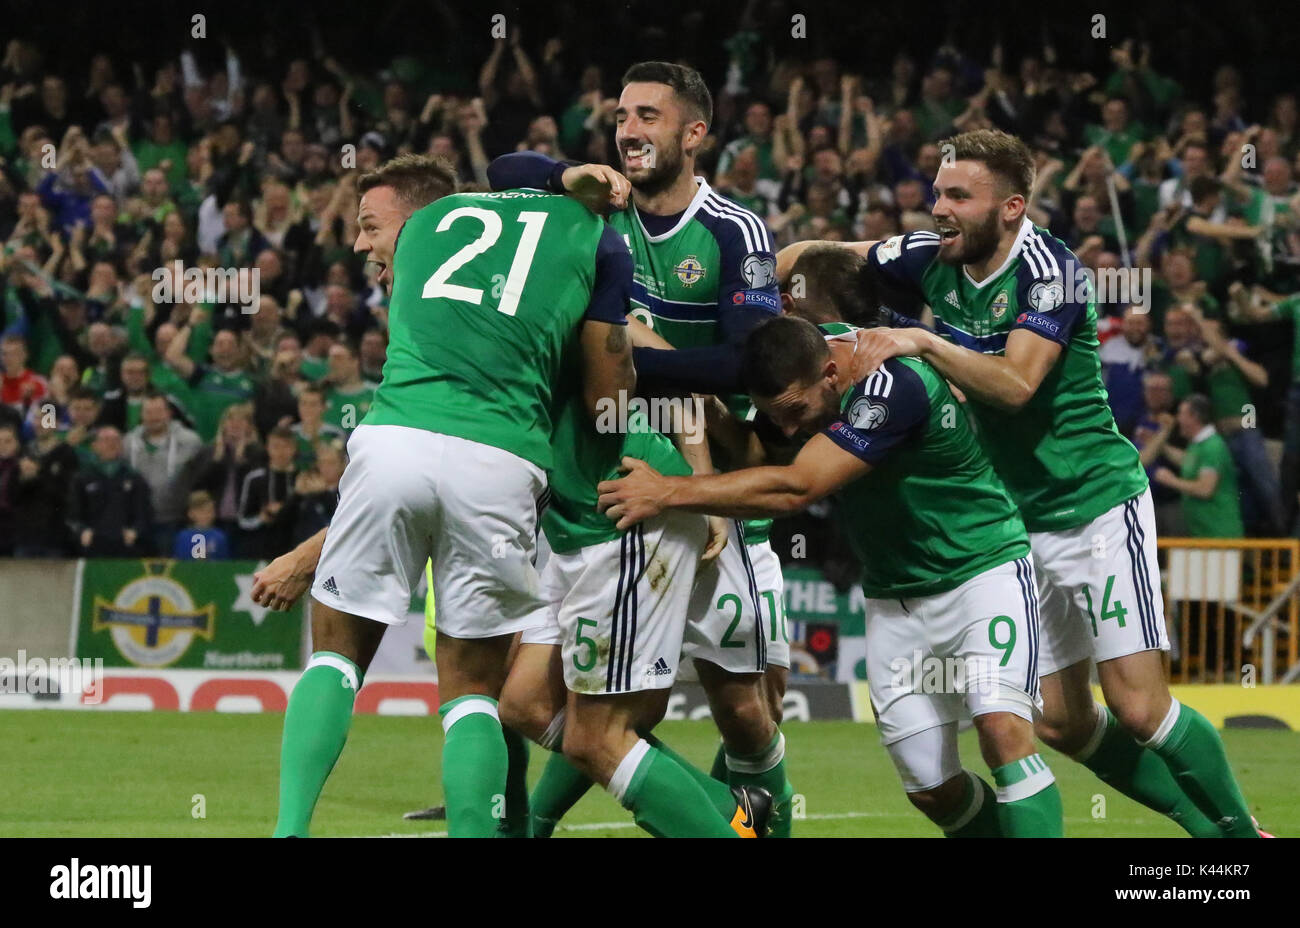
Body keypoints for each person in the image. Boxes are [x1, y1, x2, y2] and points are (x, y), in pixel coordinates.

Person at [784, 128, 1259, 837]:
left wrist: (925, 340)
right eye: (937, 191)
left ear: (1011, 207)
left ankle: (1239, 833)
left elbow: (1013, 385)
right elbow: (815, 260)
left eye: (958, 196)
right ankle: (1205, 828)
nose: (938, 209)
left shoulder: (1052, 271)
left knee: (1140, 711)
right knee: (1063, 723)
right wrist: (766, 278)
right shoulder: (929, 256)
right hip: (1015, 524)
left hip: (1094, 506)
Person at [258, 153, 639, 839]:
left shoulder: (429, 227)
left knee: (337, 656)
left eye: (371, 226)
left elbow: (504, 173)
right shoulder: (599, 237)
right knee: (470, 696)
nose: (362, 243)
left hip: (394, 439)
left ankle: (288, 832)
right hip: (501, 461)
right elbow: (606, 391)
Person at [598, 314, 1063, 836]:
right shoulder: (808, 355)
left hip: (982, 574)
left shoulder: (889, 383)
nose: (791, 428)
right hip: (894, 597)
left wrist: (668, 491)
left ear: (832, 373)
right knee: (931, 788)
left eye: (796, 411)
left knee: (1003, 734)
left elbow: (799, 487)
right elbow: (763, 444)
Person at [487, 61, 795, 832]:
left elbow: (746, 362)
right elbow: (501, 172)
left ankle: (739, 815)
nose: (628, 130)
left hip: (715, 492)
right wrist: (567, 172)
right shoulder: (594, 209)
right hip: (613, 491)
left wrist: (615, 352)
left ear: (694, 133)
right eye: (621, 116)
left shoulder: (733, 229)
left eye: (649, 116)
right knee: (549, 703)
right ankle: (714, 815)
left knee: (747, 713)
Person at [1152, 394, 1246, 538]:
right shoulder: (1198, 445)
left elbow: (1205, 489)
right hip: (1202, 534)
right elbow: (1188, 461)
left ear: (1194, 417)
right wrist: (1160, 446)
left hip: (1220, 536)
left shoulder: (1213, 447)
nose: (1177, 419)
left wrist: (1171, 480)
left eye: (1181, 414)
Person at [66, 425, 153, 557]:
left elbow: (144, 512)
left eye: (116, 440)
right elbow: (72, 513)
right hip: (92, 545)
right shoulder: (82, 477)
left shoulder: (133, 477)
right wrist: (81, 531)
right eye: (106, 440)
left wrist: (135, 531)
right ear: (94, 445)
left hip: (126, 546)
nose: (111, 444)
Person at [172, 490, 231, 560]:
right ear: (190, 513)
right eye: (201, 512)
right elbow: (178, 560)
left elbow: (224, 562)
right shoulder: (183, 536)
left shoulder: (219, 536)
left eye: (209, 511)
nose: (206, 515)